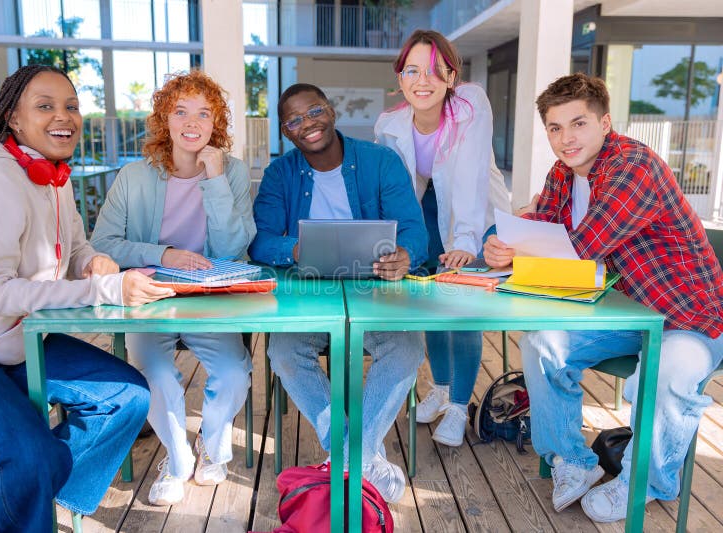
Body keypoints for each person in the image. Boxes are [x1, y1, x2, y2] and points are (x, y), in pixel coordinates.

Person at [0, 65, 173, 531]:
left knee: (127, 396)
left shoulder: (53, 174)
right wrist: (106, 288)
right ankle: (28, 483)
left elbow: (77, 247)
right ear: (14, 120)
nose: (64, 116)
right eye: (45, 106)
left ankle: (40, 494)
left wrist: (91, 262)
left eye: (71, 105)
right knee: (26, 452)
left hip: (21, 341)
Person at [483, 73, 723, 523]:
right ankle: (571, 461)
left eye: (578, 124)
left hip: (688, 314)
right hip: (623, 311)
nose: (566, 138)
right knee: (543, 343)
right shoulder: (562, 174)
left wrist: (525, 238)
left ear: (605, 122)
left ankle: (644, 482)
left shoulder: (634, 166)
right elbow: (541, 236)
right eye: (555, 128)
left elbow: (578, 248)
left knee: (666, 377)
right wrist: (499, 243)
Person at [249, 83, 428, 504]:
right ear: (285, 132)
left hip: (375, 290)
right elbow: (259, 242)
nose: (307, 124)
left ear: (330, 110)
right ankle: (362, 457)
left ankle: (348, 458)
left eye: (313, 111)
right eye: (294, 120)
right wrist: (293, 249)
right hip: (307, 292)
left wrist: (406, 255)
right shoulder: (279, 175)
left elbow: (415, 231)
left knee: (406, 349)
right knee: (285, 353)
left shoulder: (380, 162)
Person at [91, 71, 255, 505]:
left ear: (216, 123)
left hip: (209, 296)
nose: (191, 121)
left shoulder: (232, 172)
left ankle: (212, 447)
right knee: (156, 372)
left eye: (204, 113)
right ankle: (177, 458)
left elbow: (234, 247)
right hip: (150, 294)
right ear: (164, 118)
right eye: (180, 110)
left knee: (236, 370)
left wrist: (215, 179)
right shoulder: (133, 176)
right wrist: (164, 254)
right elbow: (103, 243)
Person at [375, 29, 511, 447]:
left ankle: (458, 407)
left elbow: (469, 179)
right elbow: (395, 189)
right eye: (412, 70)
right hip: (429, 211)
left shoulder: (471, 105)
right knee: (432, 299)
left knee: (461, 303)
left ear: (452, 77)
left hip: (480, 215)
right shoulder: (389, 123)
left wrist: (466, 242)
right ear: (400, 78)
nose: (423, 80)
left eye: (435, 71)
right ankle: (441, 386)